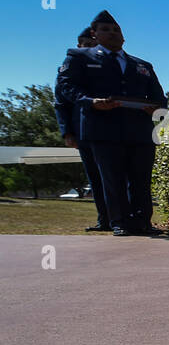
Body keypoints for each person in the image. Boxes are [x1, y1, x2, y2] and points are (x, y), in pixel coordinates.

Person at [55, 11, 166, 236]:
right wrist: (90, 102)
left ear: (123, 37)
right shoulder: (80, 57)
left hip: (139, 130)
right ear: (95, 34)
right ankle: (121, 222)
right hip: (104, 130)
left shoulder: (141, 64)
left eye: (116, 30)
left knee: (141, 178)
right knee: (112, 178)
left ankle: (143, 221)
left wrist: (156, 108)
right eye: (106, 30)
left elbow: (159, 97)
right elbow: (67, 89)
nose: (113, 34)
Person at [54, 26, 110, 231]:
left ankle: (123, 218)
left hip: (112, 130)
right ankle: (104, 219)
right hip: (83, 130)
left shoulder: (110, 67)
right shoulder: (68, 69)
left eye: (95, 45)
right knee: (95, 177)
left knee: (117, 176)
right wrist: (67, 132)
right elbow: (61, 102)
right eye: (87, 45)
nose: (91, 48)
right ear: (79, 45)